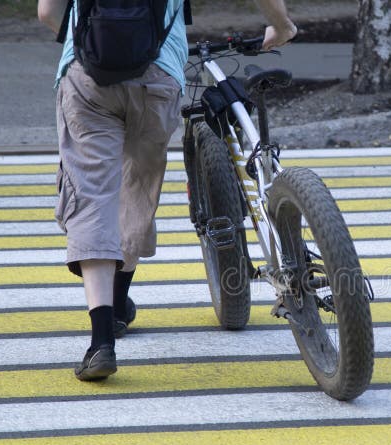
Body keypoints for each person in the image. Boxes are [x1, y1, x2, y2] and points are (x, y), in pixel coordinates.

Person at [37, 0, 297, 381]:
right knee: (137, 186)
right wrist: (281, 25)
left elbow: (47, 12)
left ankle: (102, 339)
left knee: (92, 196)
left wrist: (95, 43)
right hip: (158, 75)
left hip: (87, 78)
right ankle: (120, 298)